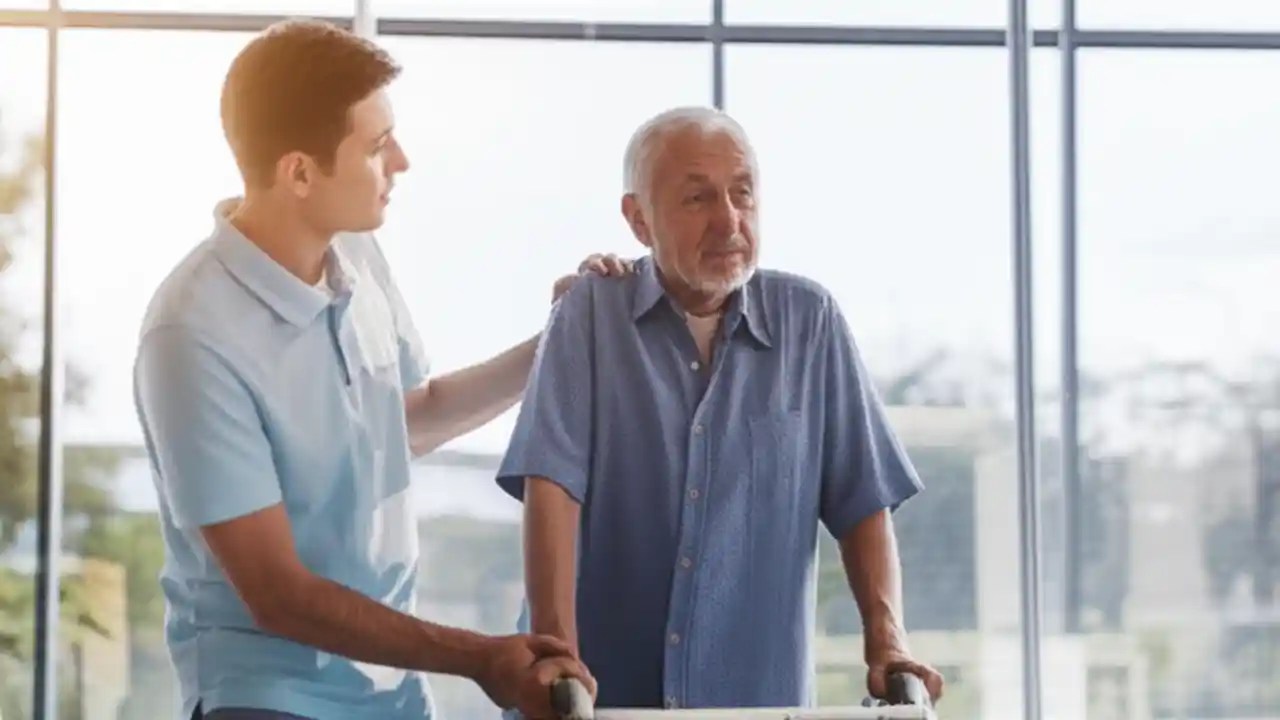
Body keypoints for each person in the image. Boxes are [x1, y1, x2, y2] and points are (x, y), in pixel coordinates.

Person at [132, 19, 625, 720]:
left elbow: (407, 422)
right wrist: (480, 656)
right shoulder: (190, 335)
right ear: (299, 172)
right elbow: (276, 592)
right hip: (268, 698)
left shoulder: (356, 256)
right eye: (376, 145)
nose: (401, 162)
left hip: (393, 692)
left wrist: (556, 344)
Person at [495, 106, 946, 712]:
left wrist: (887, 644)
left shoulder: (809, 321)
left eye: (742, 194)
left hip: (757, 697)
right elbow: (551, 487)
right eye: (697, 199)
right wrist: (557, 655)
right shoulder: (589, 313)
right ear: (638, 219)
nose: (728, 220)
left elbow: (862, 498)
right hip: (607, 698)